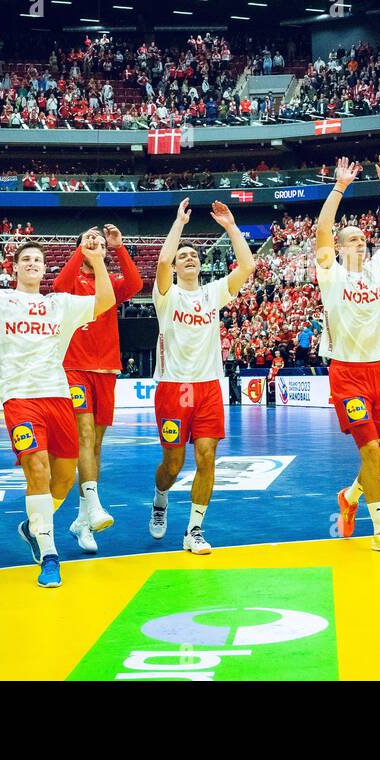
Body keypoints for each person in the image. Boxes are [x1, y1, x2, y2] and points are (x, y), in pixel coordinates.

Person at [0, 227, 115, 588]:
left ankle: (32, 526)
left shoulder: (59, 304)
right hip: (20, 399)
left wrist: (96, 261)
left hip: (58, 397)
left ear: (44, 268)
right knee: (37, 471)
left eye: (38, 259)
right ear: (15, 268)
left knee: (65, 479)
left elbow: (105, 302)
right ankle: (50, 556)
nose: (32, 263)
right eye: (26, 260)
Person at [147, 199, 256, 555]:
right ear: (177, 266)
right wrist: (178, 224)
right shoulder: (166, 295)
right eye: (184, 256)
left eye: (194, 255)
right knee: (173, 464)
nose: (189, 258)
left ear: (201, 263)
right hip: (173, 387)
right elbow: (162, 261)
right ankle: (160, 497)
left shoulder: (213, 293)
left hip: (208, 386)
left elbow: (248, 265)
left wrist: (231, 227)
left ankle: (194, 530)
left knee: (207, 456)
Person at [317, 154, 380, 554]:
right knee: (370, 451)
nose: (361, 241)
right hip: (348, 374)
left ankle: (350, 496)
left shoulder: (377, 271)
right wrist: (339, 187)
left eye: (362, 238)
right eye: (352, 238)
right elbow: (322, 228)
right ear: (339, 247)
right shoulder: (330, 272)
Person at [52, 225, 142, 553]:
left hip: (107, 370)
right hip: (75, 368)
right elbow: (58, 285)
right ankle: (93, 507)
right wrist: (82, 250)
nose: (96, 245)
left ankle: (82, 520)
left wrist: (117, 248)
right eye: (91, 241)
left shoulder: (111, 283)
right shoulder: (72, 280)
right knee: (85, 436)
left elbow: (135, 284)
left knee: (96, 446)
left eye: (100, 243)